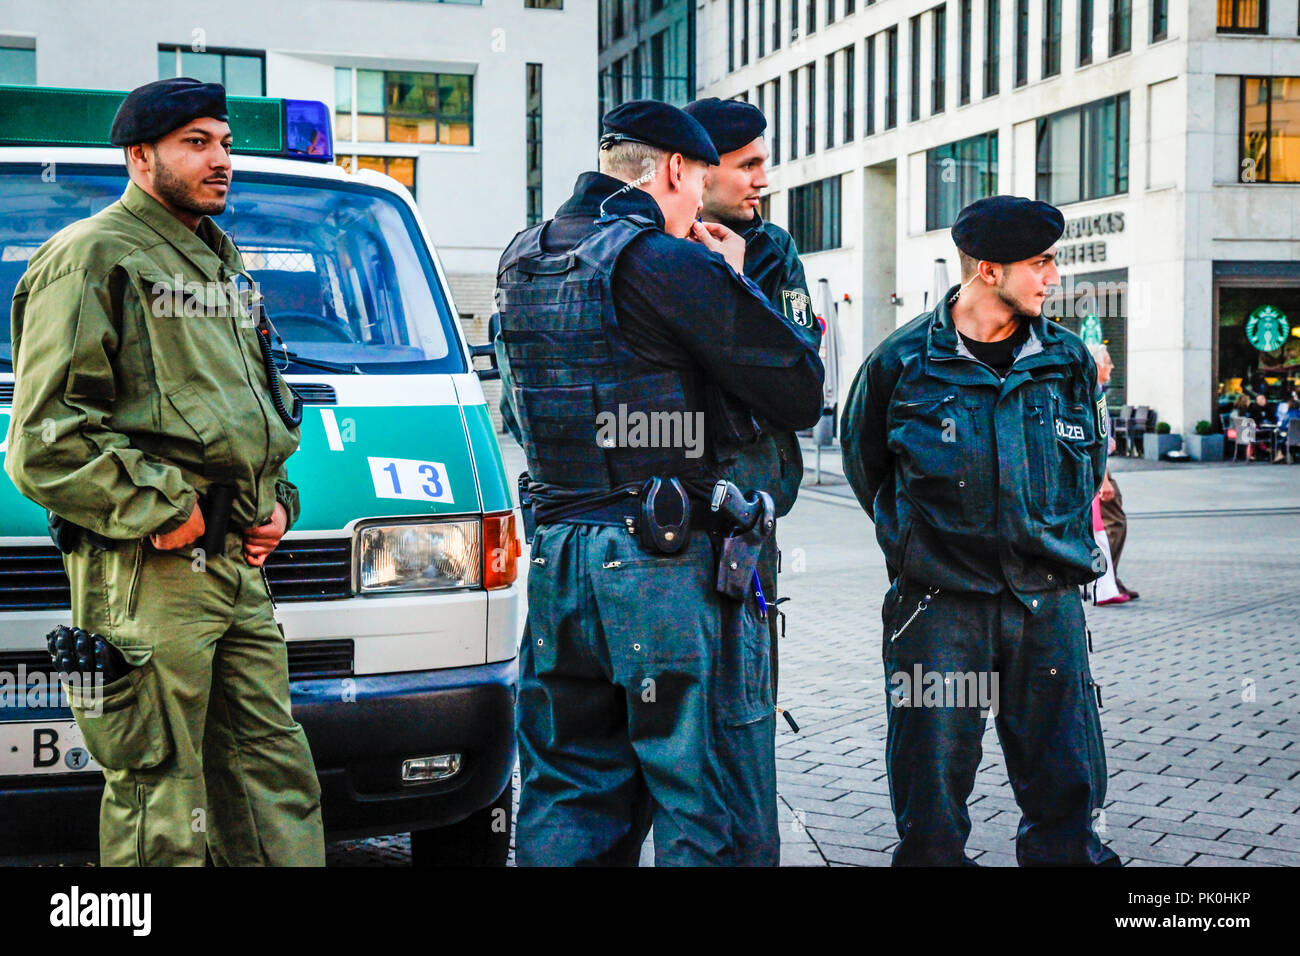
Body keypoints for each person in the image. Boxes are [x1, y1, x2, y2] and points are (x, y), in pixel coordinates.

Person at [4, 78, 324, 866]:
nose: (221, 160)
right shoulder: (90, 257)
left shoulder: (219, 263)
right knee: (159, 791)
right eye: (196, 143)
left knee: (272, 775)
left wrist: (277, 501)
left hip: (237, 570)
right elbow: (45, 440)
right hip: (149, 573)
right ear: (141, 155)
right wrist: (163, 510)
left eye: (224, 142)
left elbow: (256, 408)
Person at [497, 100, 824, 866]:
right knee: (709, 798)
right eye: (701, 179)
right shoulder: (667, 260)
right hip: (664, 570)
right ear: (675, 170)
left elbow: (521, 405)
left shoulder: (524, 254)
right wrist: (734, 282)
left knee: (571, 790)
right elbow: (799, 392)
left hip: (559, 562)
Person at [840, 195, 1119, 867]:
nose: (1052, 278)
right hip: (940, 611)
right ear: (989, 270)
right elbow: (866, 467)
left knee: (1067, 786)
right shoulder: (902, 363)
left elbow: (1089, 466)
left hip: (1046, 603)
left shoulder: (1068, 361)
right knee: (931, 796)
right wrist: (919, 551)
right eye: (1040, 264)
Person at [683, 96, 822, 705]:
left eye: (764, 163)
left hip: (750, 507)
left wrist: (738, 288)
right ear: (693, 170)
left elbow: (799, 374)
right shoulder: (646, 247)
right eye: (747, 165)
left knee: (747, 693)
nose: (763, 179)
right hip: (668, 510)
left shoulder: (771, 249)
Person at [1088, 343, 1138, 602]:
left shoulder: (1095, 390)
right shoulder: (1091, 391)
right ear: (1096, 364)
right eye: (1108, 361)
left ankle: (1109, 581)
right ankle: (1106, 582)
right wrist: (1103, 479)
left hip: (1101, 466)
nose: (1112, 366)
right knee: (1113, 524)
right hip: (1100, 470)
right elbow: (1092, 439)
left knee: (1111, 524)